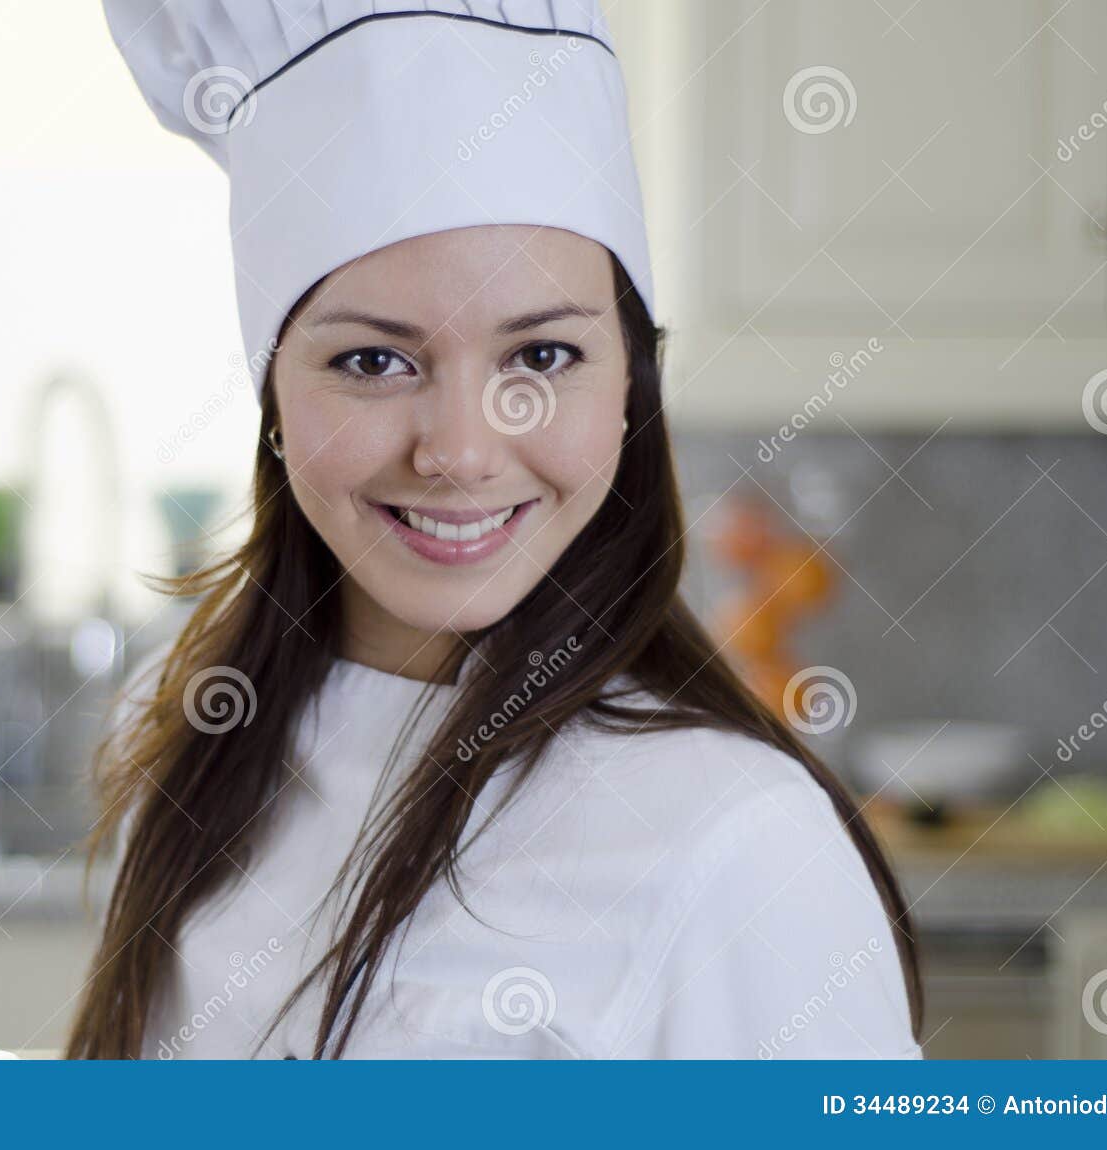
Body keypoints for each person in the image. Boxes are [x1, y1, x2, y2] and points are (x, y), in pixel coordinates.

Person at [67, 0, 924, 1060]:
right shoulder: (178, 732)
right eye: (375, 361)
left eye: (541, 357)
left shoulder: (740, 846)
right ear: (273, 394)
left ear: (627, 387)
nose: (462, 451)